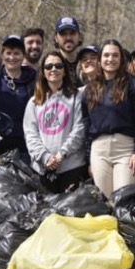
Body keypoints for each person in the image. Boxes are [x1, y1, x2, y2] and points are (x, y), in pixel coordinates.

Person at [83, 41, 135, 196]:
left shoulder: (133, 85)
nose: (110, 59)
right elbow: (87, 124)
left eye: (115, 55)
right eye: (106, 55)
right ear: (99, 59)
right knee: (105, 202)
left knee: (123, 199)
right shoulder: (91, 88)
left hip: (125, 149)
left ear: (121, 59)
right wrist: (88, 159)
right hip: (98, 150)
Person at [24, 51, 88, 192]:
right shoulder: (34, 102)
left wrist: (62, 154)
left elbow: (80, 128)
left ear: (64, 71)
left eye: (58, 66)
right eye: (49, 67)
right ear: (43, 72)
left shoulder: (76, 97)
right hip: (43, 169)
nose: (53, 69)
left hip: (72, 167)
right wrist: (45, 157)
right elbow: (31, 135)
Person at [0, 34, 37, 163]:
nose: (12, 57)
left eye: (17, 53)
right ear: (2, 54)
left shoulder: (34, 79)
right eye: (8, 53)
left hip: (25, 149)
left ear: (23, 55)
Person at [53, 16, 84, 82]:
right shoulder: (51, 66)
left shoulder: (86, 63)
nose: (68, 38)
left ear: (79, 36)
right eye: (63, 34)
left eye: (72, 33)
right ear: (56, 38)